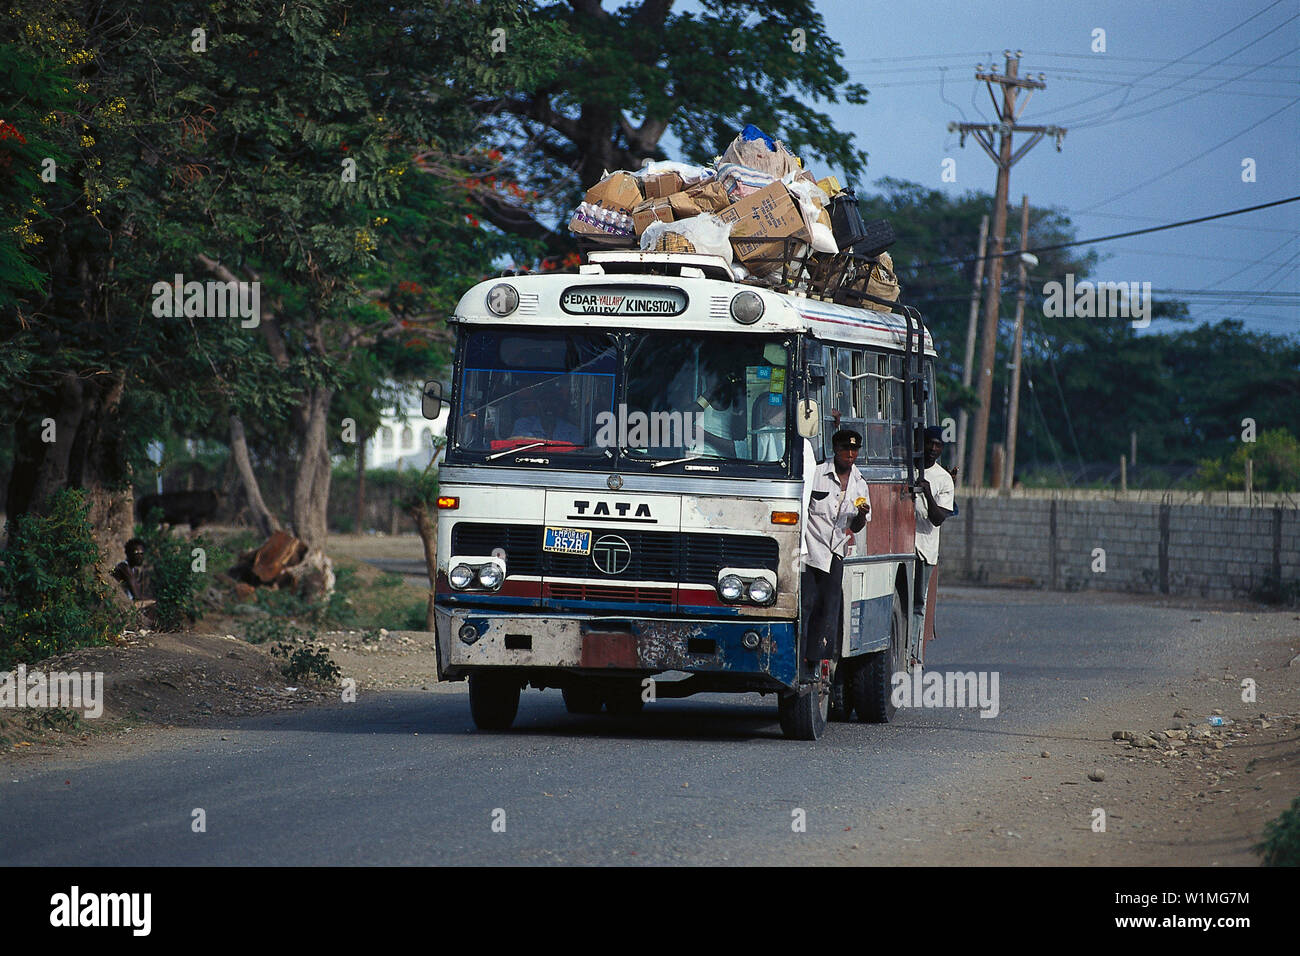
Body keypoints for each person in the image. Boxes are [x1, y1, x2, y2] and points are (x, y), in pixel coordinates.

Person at [801, 429, 870, 681]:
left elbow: (857, 526)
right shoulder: (817, 474)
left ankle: (816, 663)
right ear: (835, 450)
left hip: (835, 552)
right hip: (810, 550)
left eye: (854, 450)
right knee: (806, 603)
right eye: (844, 449)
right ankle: (801, 659)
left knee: (828, 608)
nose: (849, 455)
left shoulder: (860, 483)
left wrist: (862, 514)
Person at [912, 425, 955, 661]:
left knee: (919, 603)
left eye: (937, 445)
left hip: (925, 550)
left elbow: (938, 519)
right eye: (929, 443)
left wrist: (927, 493)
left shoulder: (943, 479)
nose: (932, 448)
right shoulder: (907, 469)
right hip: (904, 546)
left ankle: (915, 653)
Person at [511, 380, 582, 443]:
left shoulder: (571, 431)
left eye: (553, 400)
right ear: (537, 404)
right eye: (544, 400)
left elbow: (577, 453)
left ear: (559, 404)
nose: (549, 404)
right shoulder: (522, 425)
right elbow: (517, 444)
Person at [111, 538, 154, 604]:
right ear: (128, 553)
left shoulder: (135, 570)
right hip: (119, 603)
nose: (139, 556)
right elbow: (137, 596)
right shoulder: (124, 567)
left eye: (141, 553)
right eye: (136, 553)